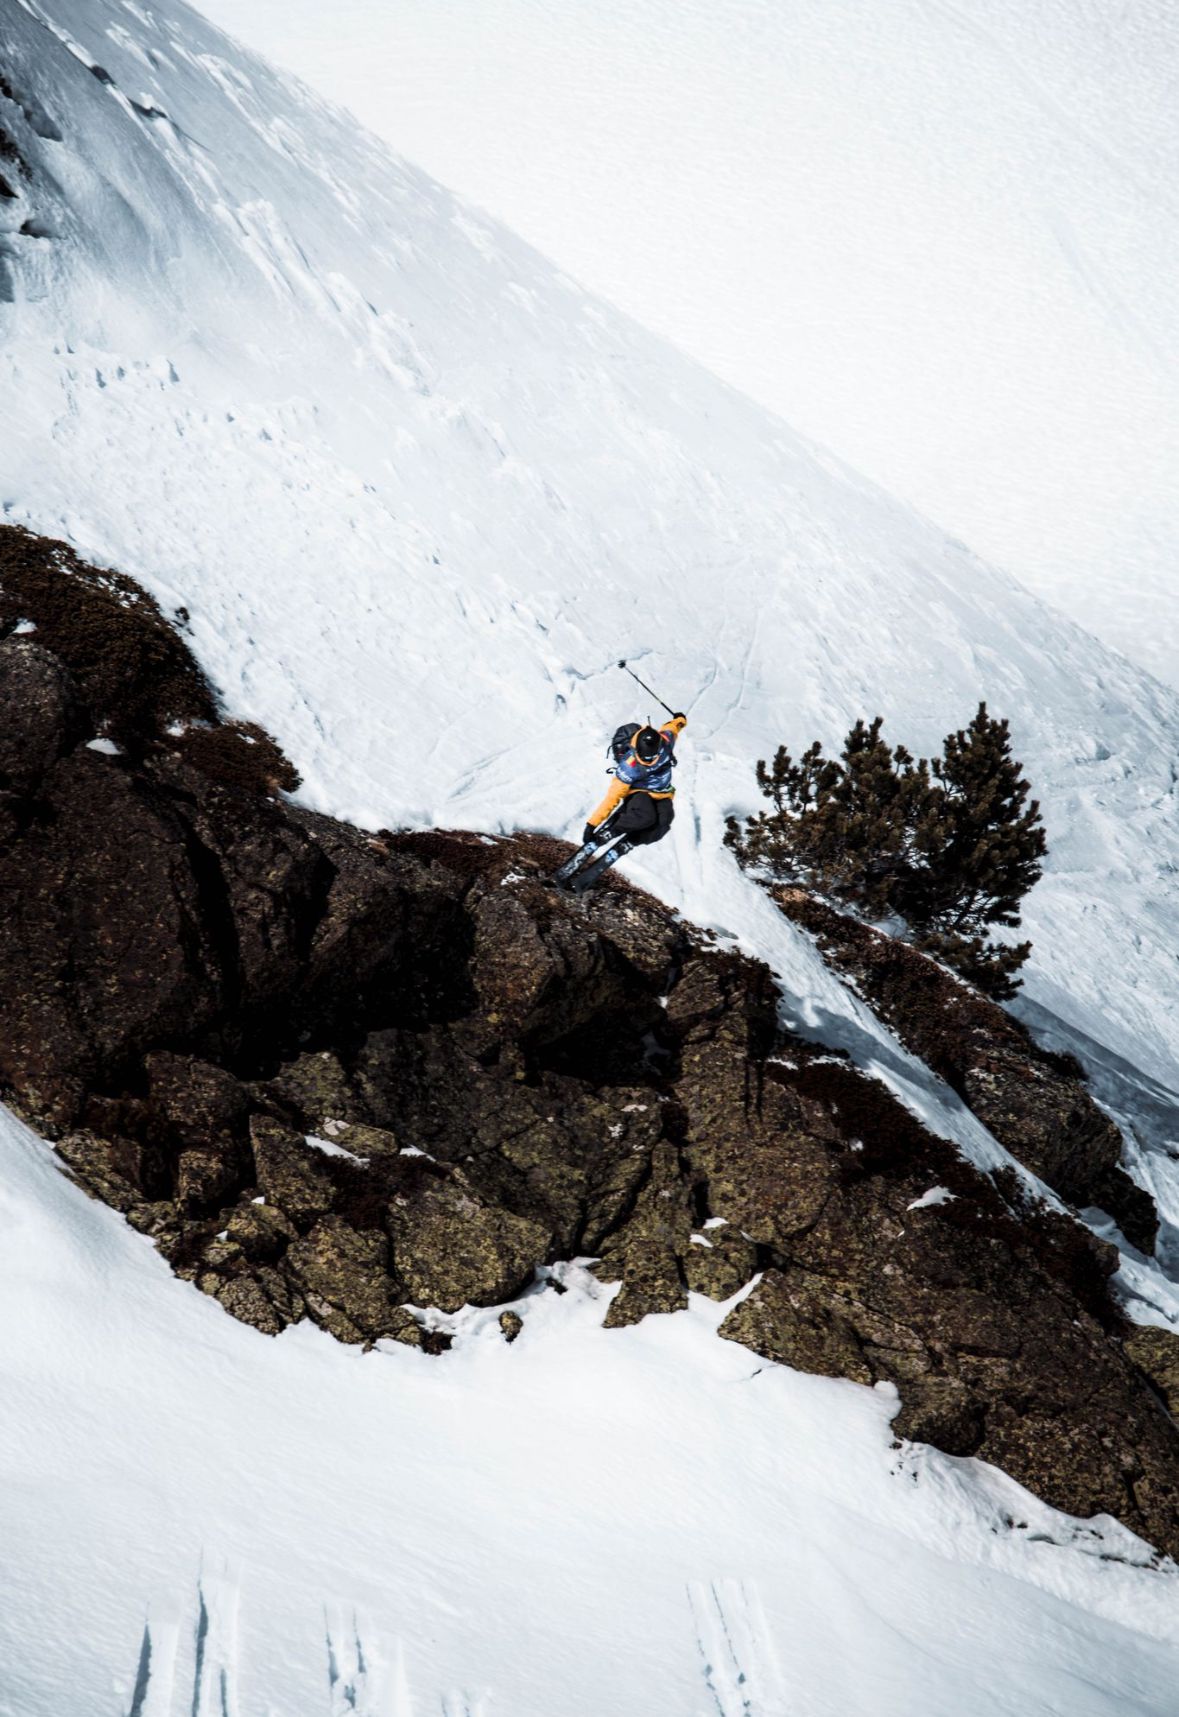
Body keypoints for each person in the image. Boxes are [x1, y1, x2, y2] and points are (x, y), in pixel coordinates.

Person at [560, 712, 687, 893]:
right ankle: (613, 829)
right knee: (644, 816)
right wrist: (592, 824)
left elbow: (674, 727)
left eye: (652, 759)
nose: (649, 762)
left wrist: (680, 720)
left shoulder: (666, 740)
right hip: (639, 792)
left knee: (662, 824)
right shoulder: (629, 766)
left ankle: (630, 841)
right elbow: (612, 798)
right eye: (644, 759)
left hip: (663, 793)